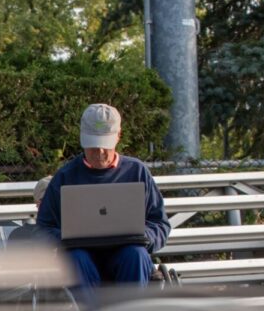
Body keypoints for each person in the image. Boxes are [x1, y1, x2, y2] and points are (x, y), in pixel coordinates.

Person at [35, 103, 170, 290]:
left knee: (136, 254)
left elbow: (160, 223)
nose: (99, 152)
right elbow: (44, 228)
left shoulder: (136, 171)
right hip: (80, 255)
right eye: (92, 145)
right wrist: (65, 238)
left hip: (126, 253)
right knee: (76, 258)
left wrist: (145, 236)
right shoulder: (65, 176)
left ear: (118, 136)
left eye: (105, 145)